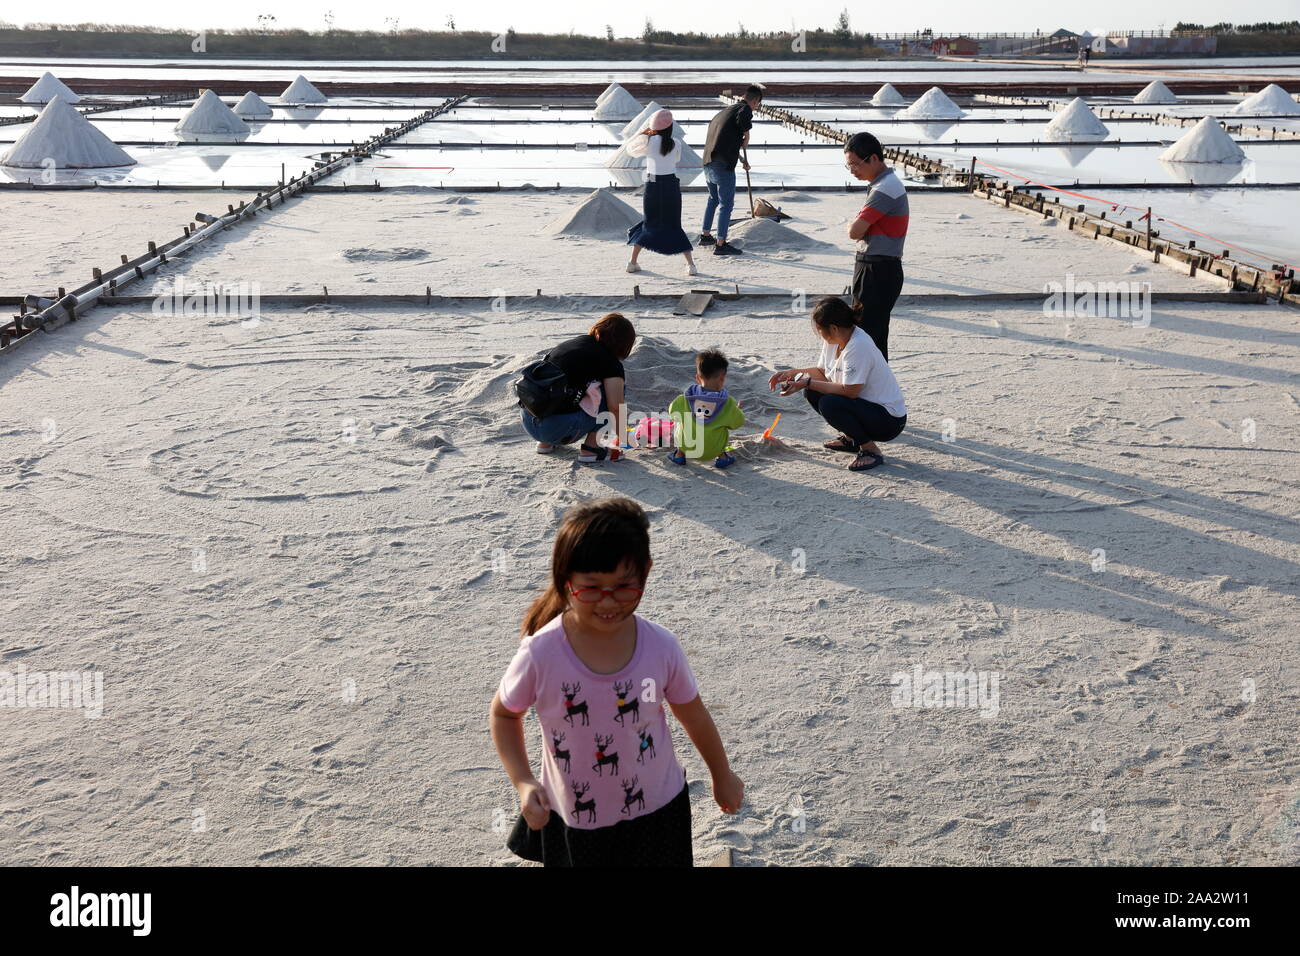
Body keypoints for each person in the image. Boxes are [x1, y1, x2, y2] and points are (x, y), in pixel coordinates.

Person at [490, 497, 744, 867]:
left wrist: (722, 774)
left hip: (658, 807)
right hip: (576, 816)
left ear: (646, 573)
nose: (608, 603)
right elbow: (503, 715)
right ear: (566, 582)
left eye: (624, 587)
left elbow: (693, 714)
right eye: (591, 588)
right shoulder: (541, 654)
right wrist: (524, 781)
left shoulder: (661, 646)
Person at [768, 296, 907, 472]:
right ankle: (852, 439)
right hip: (866, 407)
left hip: (888, 420)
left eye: (819, 329)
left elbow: (850, 392)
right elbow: (822, 372)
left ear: (833, 328)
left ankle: (869, 449)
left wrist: (806, 382)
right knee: (812, 392)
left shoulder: (858, 345)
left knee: (829, 402)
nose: (818, 333)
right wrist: (792, 373)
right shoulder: (835, 339)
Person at [520, 312, 634, 463]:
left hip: (529, 421)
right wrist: (625, 438)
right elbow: (615, 408)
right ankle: (592, 449)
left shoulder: (572, 344)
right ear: (624, 344)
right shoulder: (611, 362)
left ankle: (545, 444)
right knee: (613, 391)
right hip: (558, 428)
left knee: (567, 388)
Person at [844, 131, 908, 361]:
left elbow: (854, 231)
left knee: (865, 337)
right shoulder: (882, 184)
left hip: (877, 270)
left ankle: (867, 391)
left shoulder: (884, 189)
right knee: (874, 337)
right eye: (848, 165)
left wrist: (854, 224)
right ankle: (876, 392)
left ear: (873, 159)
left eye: (855, 164)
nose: (852, 171)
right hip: (879, 268)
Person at [624, 109, 698, 277]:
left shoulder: (648, 141)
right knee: (674, 224)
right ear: (670, 127)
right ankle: (691, 265)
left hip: (653, 184)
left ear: (653, 126)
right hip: (671, 184)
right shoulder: (676, 143)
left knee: (648, 223)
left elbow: (630, 150)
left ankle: (632, 262)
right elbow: (676, 160)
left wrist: (645, 133)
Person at [699, 84, 763, 257]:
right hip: (721, 165)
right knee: (726, 204)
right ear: (755, 101)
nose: (755, 108)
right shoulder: (744, 109)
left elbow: (725, 140)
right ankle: (720, 244)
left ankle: (705, 236)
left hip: (707, 161)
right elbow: (743, 120)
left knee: (713, 199)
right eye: (757, 105)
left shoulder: (725, 111)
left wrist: (742, 160)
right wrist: (747, 136)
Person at [666, 348, 745, 469]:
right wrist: (737, 410)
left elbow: (672, 413)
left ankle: (679, 455)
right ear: (723, 378)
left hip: (687, 446)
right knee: (721, 429)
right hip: (713, 450)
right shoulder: (728, 403)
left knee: (680, 422)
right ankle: (722, 457)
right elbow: (737, 423)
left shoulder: (684, 399)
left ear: (698, 378)